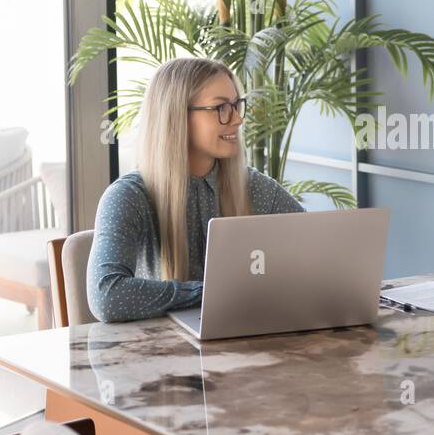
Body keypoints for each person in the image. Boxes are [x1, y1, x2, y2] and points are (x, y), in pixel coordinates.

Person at [88, 57, 302, 323]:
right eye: (221, 107)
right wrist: (214, 292)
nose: (237, 119)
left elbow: (320, 251)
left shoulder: (255, 188)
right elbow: (107, 297)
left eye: (237, 105)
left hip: (242, 347)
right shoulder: (128, 197)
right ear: (177, 116)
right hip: (156, 355)